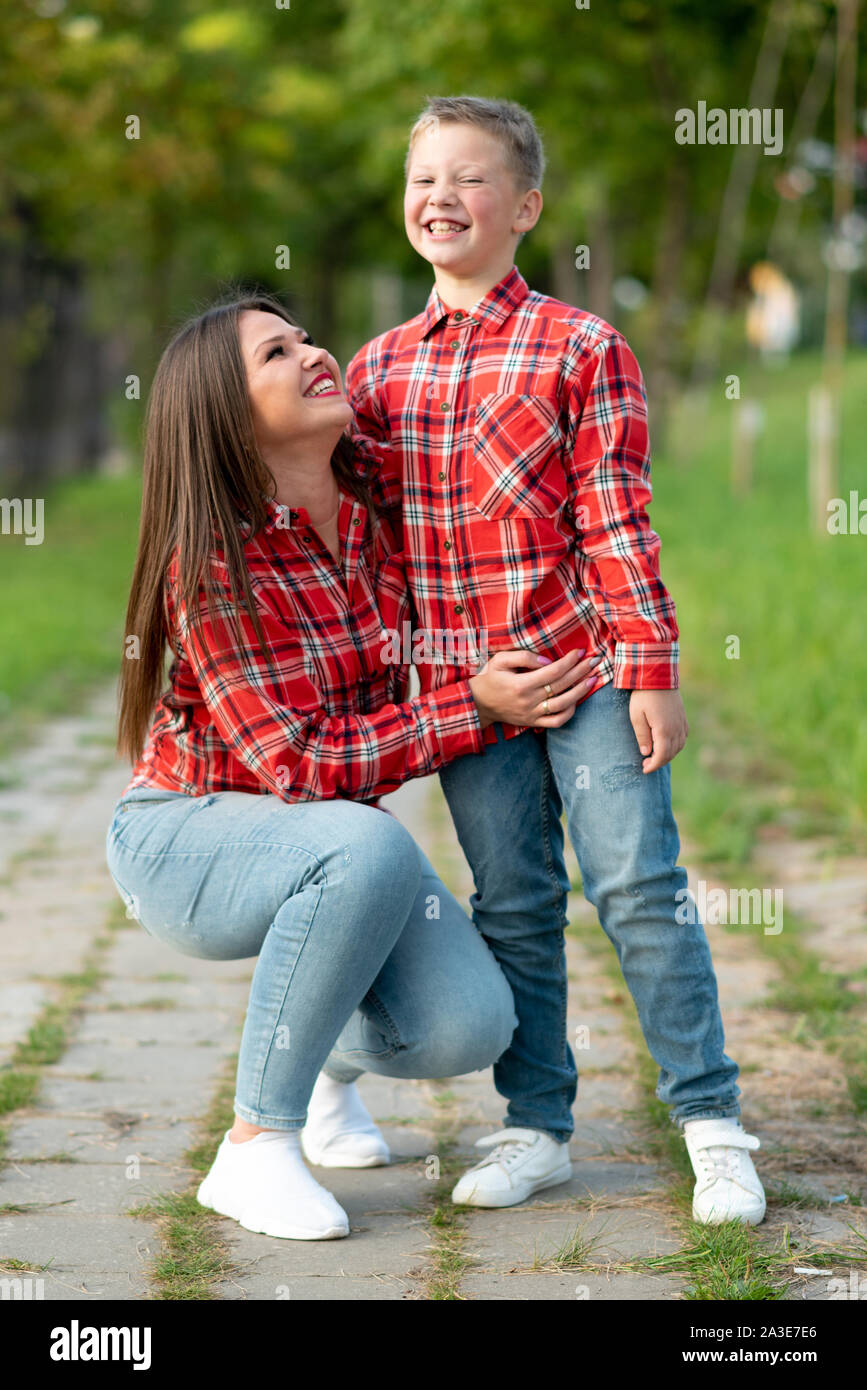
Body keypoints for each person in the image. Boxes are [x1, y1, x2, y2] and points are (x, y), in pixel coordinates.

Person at [345, 95, 766, 1224]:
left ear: (525, 207)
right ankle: (537, 1124)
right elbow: (374, 550)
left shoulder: (582, 345)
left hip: (586, 673)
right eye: (423, 175)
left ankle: (711, 1120)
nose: (442, 196)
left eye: (470, 178)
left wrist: (652, 665)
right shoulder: (376, 371)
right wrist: (422, 684)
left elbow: (615, 520)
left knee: (637, 885)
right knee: (515, 903)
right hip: (471, 691)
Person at [106, 291, 599, 1242]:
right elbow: (297, 767)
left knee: (468, 1024)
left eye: (304, 337)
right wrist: (470, 709)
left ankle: (322, 1072)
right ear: (226, 415)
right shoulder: (211, 565)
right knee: (366, 842)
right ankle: (255, 1145)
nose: (312, 353)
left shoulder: (377, 522)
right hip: (188, 836)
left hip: (331, 844)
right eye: (275, 355)